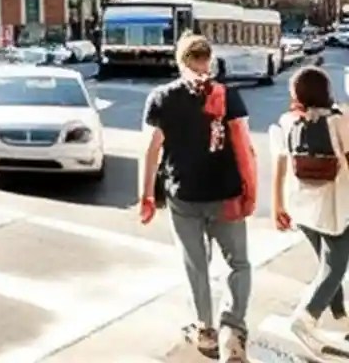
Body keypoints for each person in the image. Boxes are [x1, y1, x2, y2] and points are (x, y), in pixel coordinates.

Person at [138, 34, 255, 362]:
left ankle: (205, 328)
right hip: (226, 195)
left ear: (180, 61)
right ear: (209, 59)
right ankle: (233, 329)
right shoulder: (228, 95)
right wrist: (250, 190)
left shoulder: (161, 98)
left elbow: (150, 149)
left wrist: (146, 195)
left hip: (183, 196)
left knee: (195, 263)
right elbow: (245, 148)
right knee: (239, 263)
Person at [270, 65, 349, 357]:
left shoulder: (287, 121)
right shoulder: (340, 122)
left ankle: (341, 315)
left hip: (301, 207)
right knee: (336, 264)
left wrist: (277, 204)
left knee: (326, 265)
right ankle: (305, 318)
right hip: (335, 208)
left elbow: (279, 165)